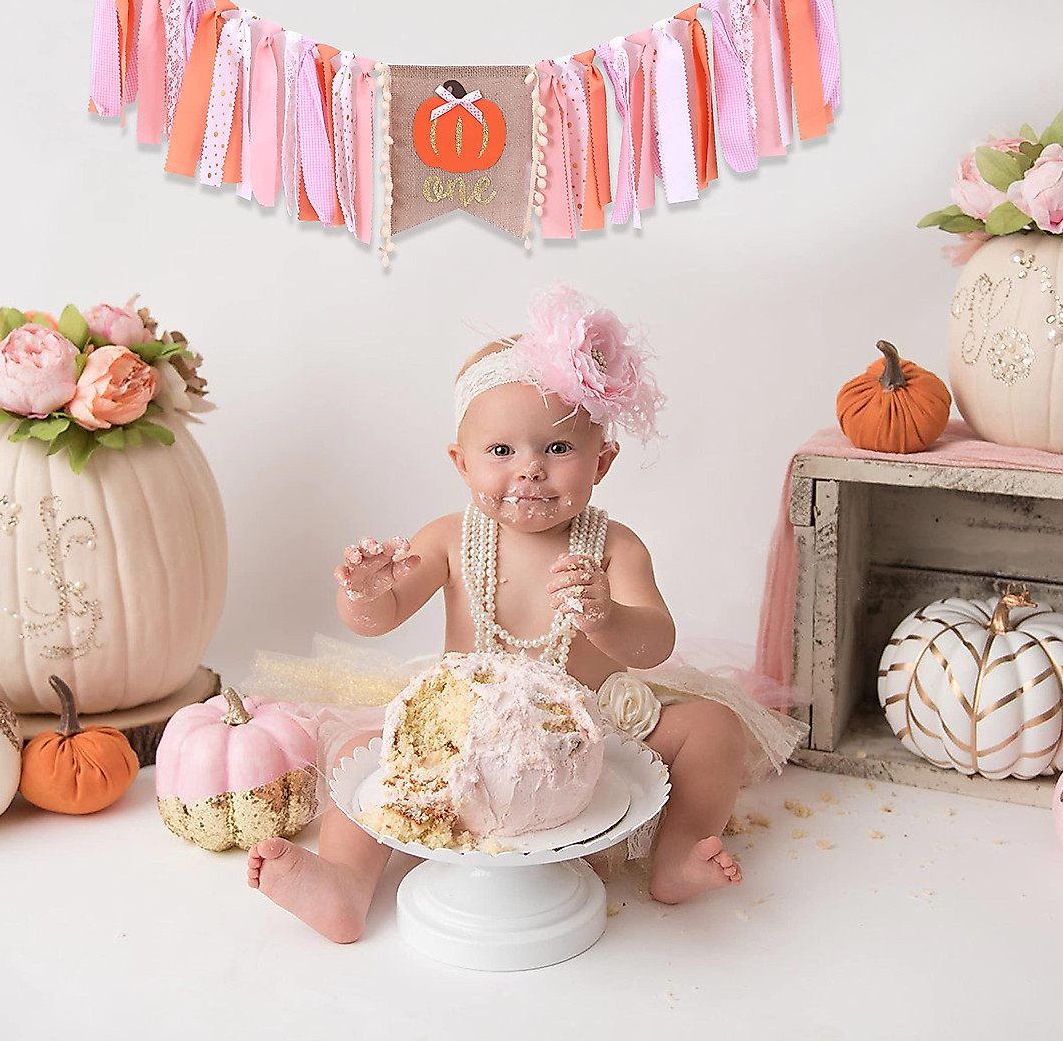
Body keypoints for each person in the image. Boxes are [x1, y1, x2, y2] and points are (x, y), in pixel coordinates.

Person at [246, 285, 803, 943]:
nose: (531, 470)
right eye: (502, 452)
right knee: (365, 752)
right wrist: (367, 591)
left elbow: (655, 644)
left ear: (603, 460)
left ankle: (679, 853)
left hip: (589, 733)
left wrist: (606, 616)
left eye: (558, 450)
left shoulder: (614, 547)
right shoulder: (450, 539)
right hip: (465, 739)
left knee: (713, 727)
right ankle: (344, 881)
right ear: (461, 462)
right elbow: (376, 619)